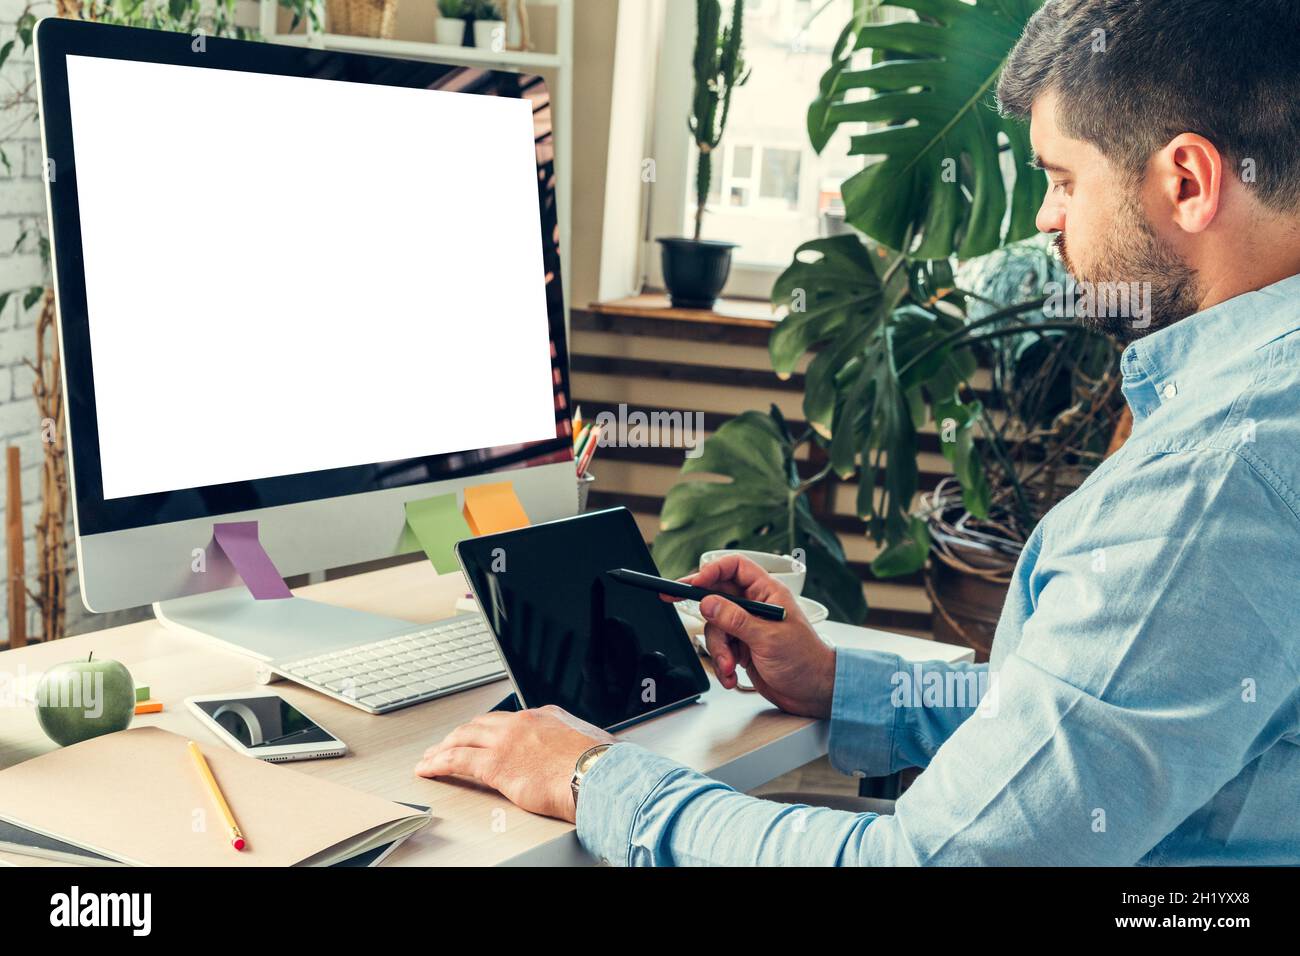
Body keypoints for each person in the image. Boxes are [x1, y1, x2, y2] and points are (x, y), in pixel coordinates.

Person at [415, 0, 1300, 865]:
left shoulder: (1212, 480)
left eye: (1064, 179)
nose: (1045, 217)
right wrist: (842, 684)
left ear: (1187, 182)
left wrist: (592, 779)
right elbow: (1088, 721)